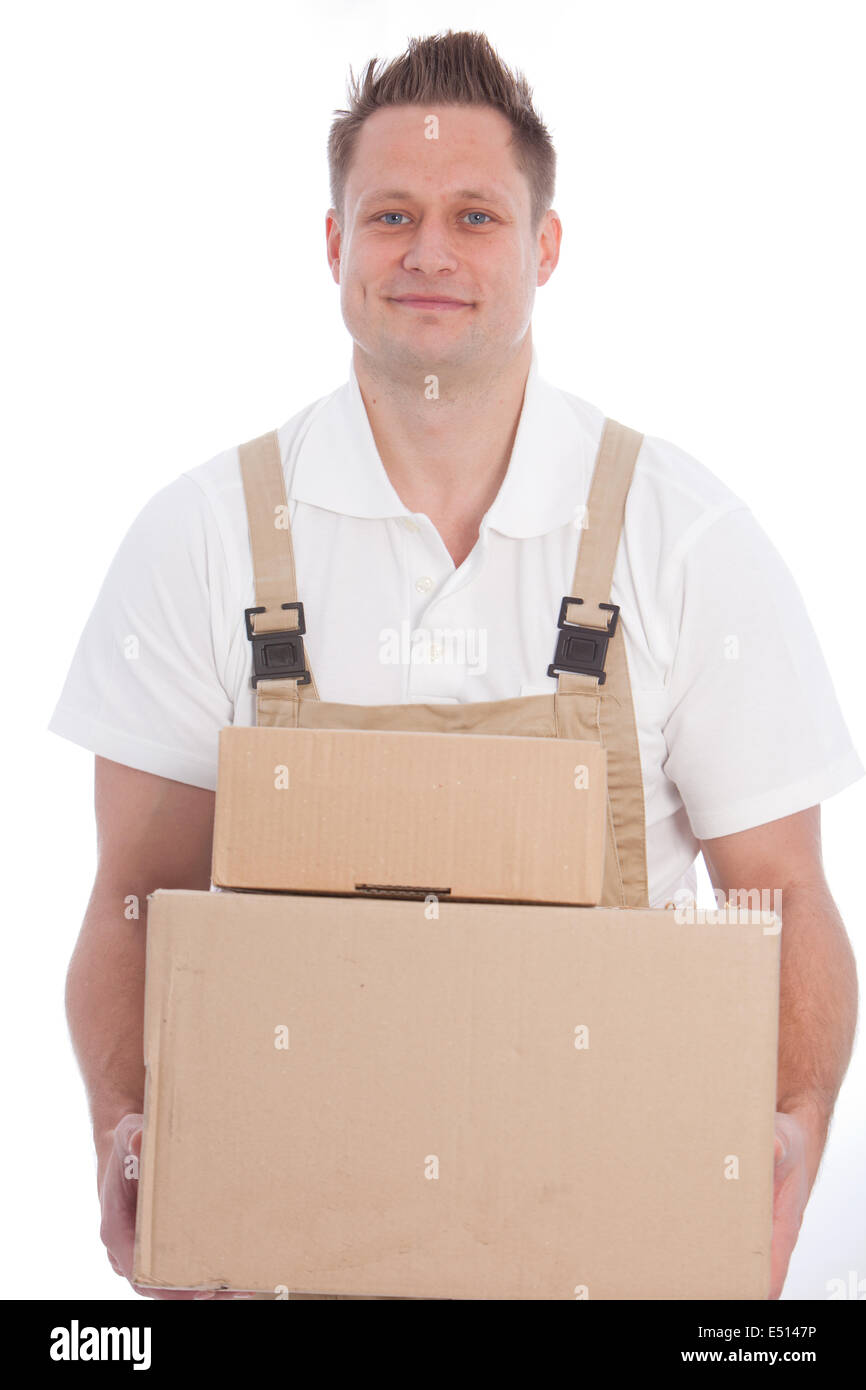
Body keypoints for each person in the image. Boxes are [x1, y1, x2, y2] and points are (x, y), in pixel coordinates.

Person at [49, 30, 862, 1301]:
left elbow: (787, 897)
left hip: (606, 1251)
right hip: (283, 1256)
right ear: (333, 248)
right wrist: (126, 1129)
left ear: (544, 248)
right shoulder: (204, 538)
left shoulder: (682, 537)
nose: (429, 252)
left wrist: (795, 1138)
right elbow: (134, 894)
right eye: (390, 215)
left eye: (474, 214)